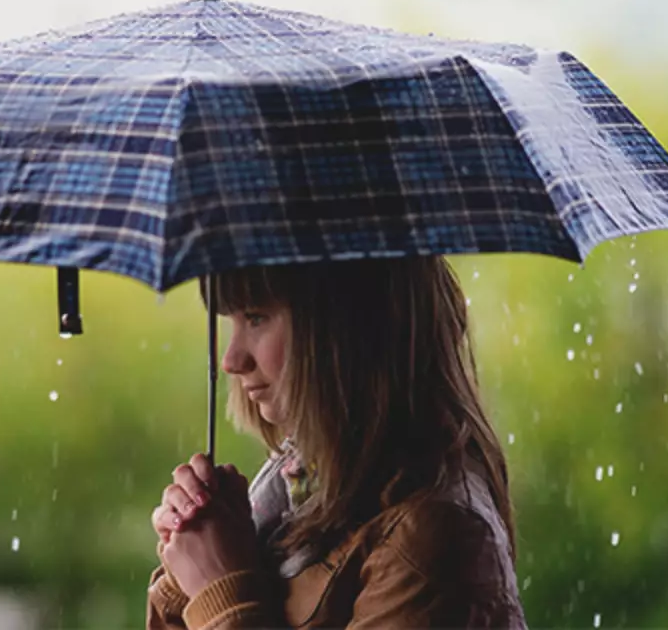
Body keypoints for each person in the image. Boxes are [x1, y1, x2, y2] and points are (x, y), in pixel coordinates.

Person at [145, 257, 528, 629]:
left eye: (257, 318)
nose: (231, 360)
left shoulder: (434, 539)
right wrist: (189, 575)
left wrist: (221, 595)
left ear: (345, 329)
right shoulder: (294, 500)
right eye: (233, 322)